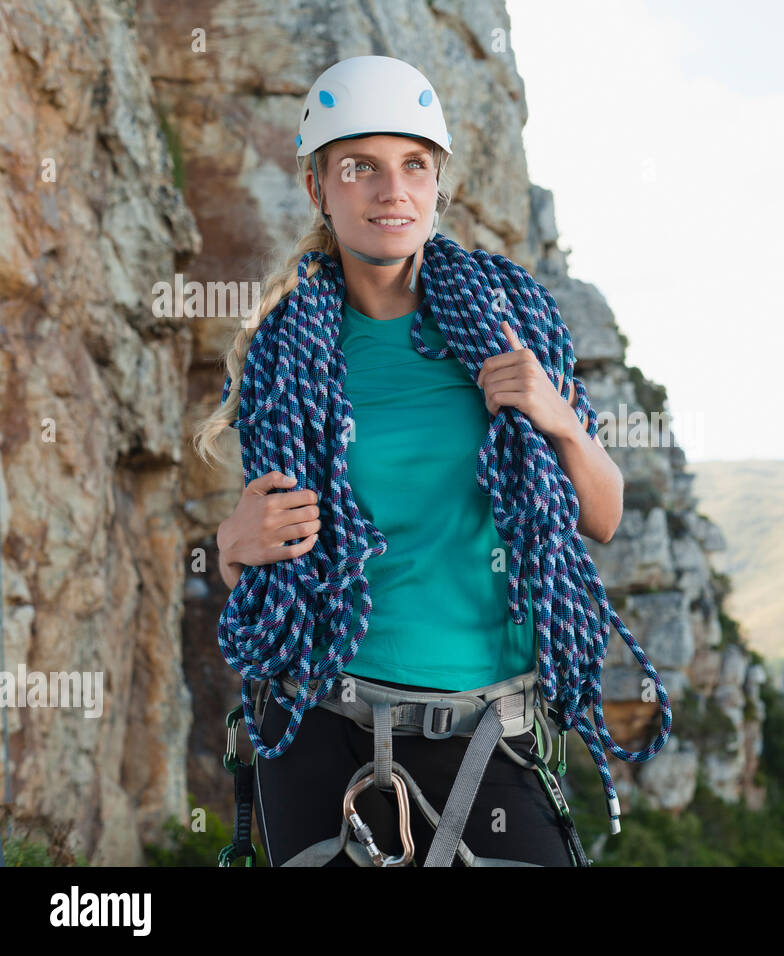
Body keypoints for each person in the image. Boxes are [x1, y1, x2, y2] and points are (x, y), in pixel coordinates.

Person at [192, 55, 625, 867]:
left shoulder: (506, 325)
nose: (392, 190)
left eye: (413, 165)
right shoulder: (287, 352)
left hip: (487, 733)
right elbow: (271, 578)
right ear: (318, 186)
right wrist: (231, 546)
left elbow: (601, 516)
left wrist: (560, 420)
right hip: (321, 726)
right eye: (360, 167)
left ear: (437, 184)